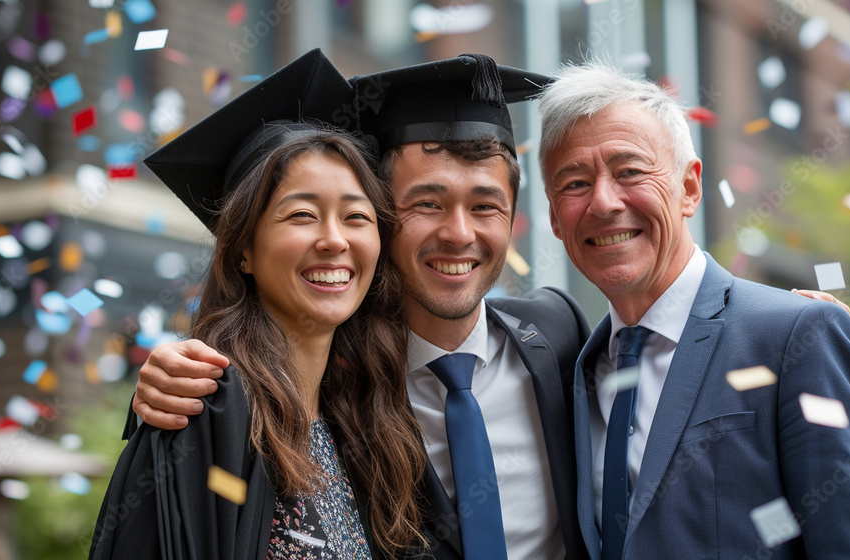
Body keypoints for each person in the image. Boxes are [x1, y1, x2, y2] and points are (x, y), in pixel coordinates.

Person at [129, 53, 591, 560]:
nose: (459, 234)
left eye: (485, 206)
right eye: (427, 204)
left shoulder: (559, 336)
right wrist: (164, 391)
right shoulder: (302, 391)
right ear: (386, 216)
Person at [538, 61, 850, 559]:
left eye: (630, 171)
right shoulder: (580, 366)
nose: (603, 202)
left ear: (689, 188)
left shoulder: (797, 336)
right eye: (574, 184)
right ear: (553, 216)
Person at [90, 49, 427, 559]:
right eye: (301, 215)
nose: (334, 240)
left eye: (356, 217)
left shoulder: (360, 420)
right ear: (243, 249)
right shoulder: (204, 407)